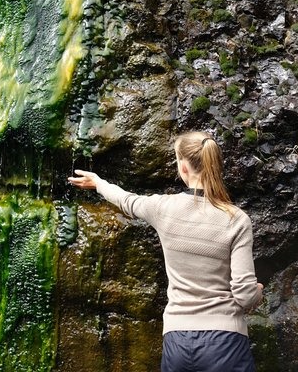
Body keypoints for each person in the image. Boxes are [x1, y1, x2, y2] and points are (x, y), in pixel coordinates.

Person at [68, 130, 263, 372]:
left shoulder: (163, 207)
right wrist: (257, 293)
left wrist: (98, 183)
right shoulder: (236, 220)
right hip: (225, 342)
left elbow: (127, 200)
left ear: (184, 168)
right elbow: (244, 295)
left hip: (177, 341)